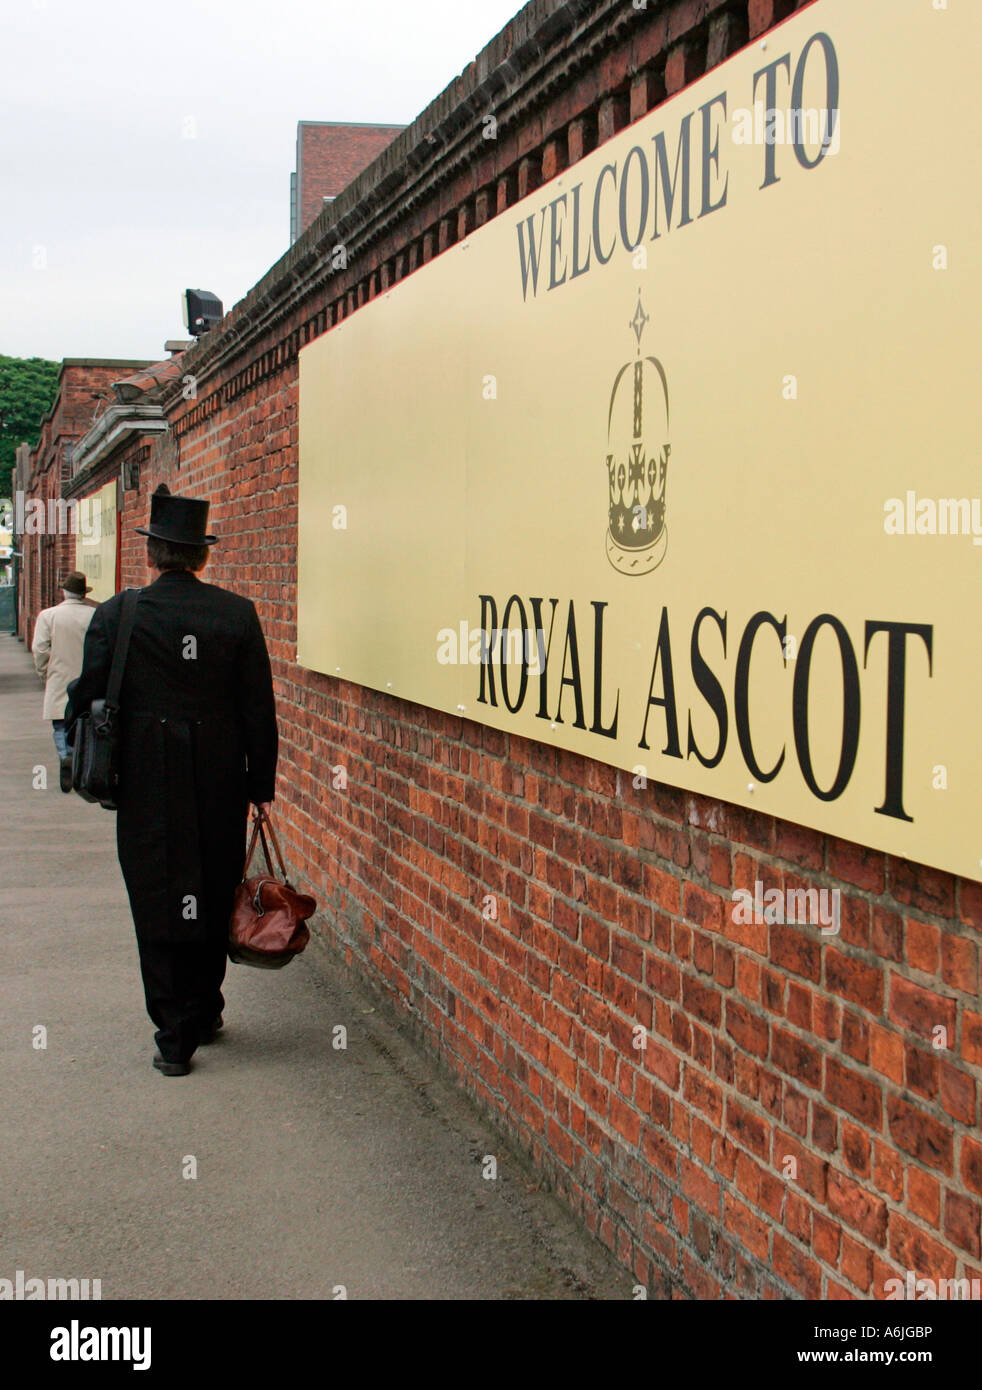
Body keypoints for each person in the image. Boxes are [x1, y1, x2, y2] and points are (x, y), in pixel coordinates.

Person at [65, 484, 279, 1077]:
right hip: (217, 779)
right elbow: (257, 708)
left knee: (158, 897)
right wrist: (259, 786)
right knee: (211, 889)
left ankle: (173, 1030)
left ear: (154, 553)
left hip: (145, 782)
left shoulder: (119, 614)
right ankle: (205, 1007)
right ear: (201, 556)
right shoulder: (235, 614)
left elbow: (85, 696)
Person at [31, 570, 97, 791]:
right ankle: (82, 766)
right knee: (87, 725)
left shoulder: (48, 616)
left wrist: (45, 674)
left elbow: (40, 650)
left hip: (60, 679)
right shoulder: (95, 615)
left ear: (64, 591)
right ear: (83, 593)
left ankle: (65, 756)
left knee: (60, 725)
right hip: (89, 681)